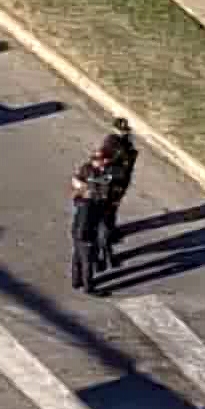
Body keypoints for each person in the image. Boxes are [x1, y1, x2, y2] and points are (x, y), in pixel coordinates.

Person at [70, 143, 117, 292]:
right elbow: (76, 182)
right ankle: (88, 285)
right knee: (86, 256)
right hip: (88, 225)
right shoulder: (88, 203)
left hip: (97, 215)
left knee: (82, 252)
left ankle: (78, 280)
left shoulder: (109, 172)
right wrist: (83, 187)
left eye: (99, 159)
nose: (96, 161)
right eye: (95, 159)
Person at [101, 121, 139, 264]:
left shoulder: (125, 144)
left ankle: (109, 231)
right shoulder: (111, 144)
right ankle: (106, 245)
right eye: (122, 131)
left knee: (112, 210)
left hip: (119, 185)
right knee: (106, 215)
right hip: (111, 186)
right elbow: (107, 165)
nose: (125, 133)